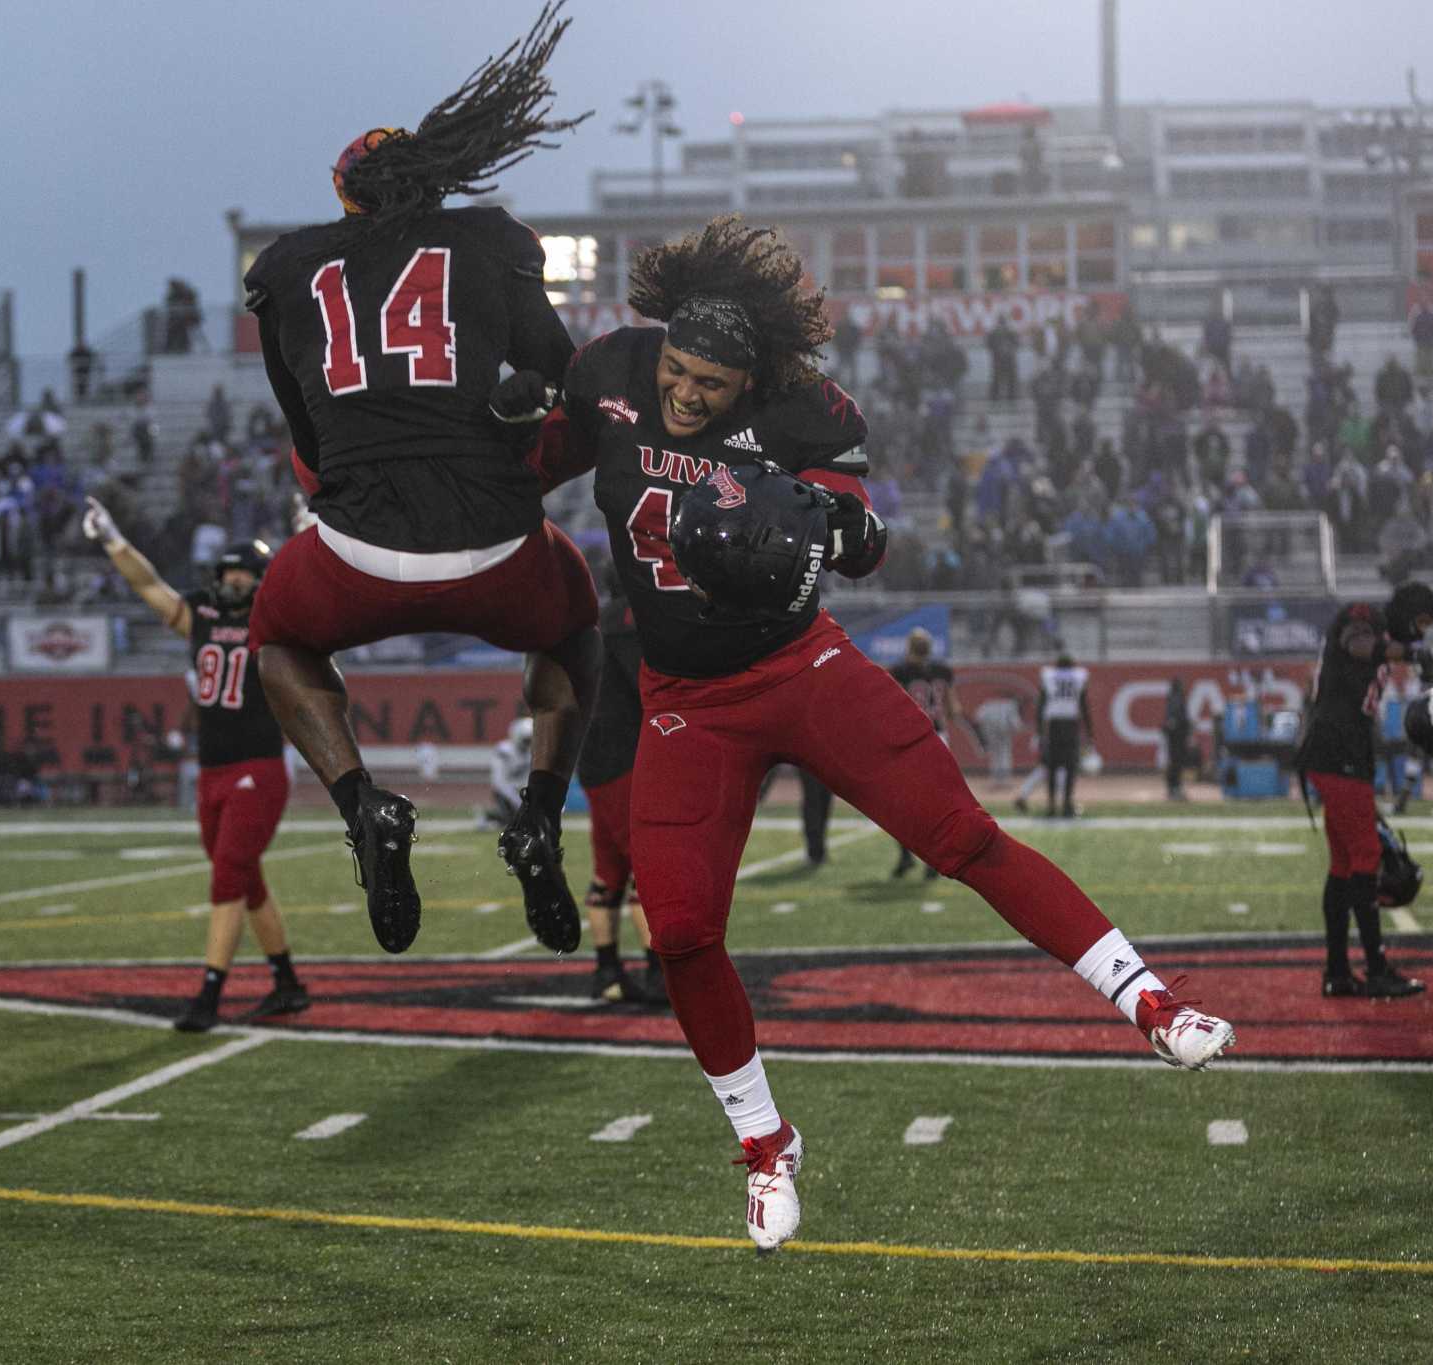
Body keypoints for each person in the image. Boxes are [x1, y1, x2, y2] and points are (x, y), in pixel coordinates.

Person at [500, 216, 1236, 1252]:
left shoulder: (802, 408)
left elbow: (860, 539)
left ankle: (1151, 1004)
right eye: (676, 372)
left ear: (750, 378)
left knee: (961, 837)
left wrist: (834, 529)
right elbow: (536, 464)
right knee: (681, 931)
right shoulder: (613, 370)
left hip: (798, 667)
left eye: (709, 384)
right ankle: (766, 1142)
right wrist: (502, 432)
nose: (684, 394)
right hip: (683, 698)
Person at [241, 3, 597, 958]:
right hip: (499, 547)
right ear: (441, 178)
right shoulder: (489, 240)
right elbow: (561, 372)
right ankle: (540, 813)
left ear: (345, 197)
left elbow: (306, 435)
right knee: (575, 629)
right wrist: (517, 409)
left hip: (355, 551)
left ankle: (362, 804)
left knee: (276, 641)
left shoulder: (287, 269)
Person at [84, 498, 307, 1032]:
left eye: (241, 573)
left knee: (228, 876)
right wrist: (114, 541)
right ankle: (287, 984)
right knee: (244, 878)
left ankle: (210, 993)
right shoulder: (202, 615)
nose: (231, 581)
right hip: (212, 769)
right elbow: (149, 586)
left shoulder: (275, 618)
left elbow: (309, 592)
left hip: (258, 766)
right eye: (226, 573)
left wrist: (309, 535)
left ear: (261, 579)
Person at [1293, 581, 1433, 999]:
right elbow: (1357, 644)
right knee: (1366, 858)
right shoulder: (1364, 617)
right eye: (1420, 622)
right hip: (1336, 755)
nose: (1420, 633)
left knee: (1344, 865)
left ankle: (1338, 971)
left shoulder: (1382, 636)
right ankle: (1375, 969)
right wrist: (1412, 654)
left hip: (1344, 756)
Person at [574, 587, 663, 1004]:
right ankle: (659, 972)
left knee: (608, 868)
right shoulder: (627, 618)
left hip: (593, 752)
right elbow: (646, 687)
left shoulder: (590, 621)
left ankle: (607, 971)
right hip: (623, 754)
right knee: (648, 867)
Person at [887, 627, 963, 879]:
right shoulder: (942, 670)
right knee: (934, 804)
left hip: (911, 740)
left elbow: (891, 707)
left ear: (909, 648)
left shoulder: (900, 671)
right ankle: (932, 859)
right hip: (938, 738)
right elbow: (954, 709)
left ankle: (906, 855)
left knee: (901, 802)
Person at [1038, 652, 1091, 818]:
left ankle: (1051, 806)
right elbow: (1083, 705)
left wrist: (1039, 731)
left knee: (1052, 767)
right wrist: (1090, 731)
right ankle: (1067, 805)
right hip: (1070, 725)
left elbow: (1041, 705)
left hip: (1054, 725)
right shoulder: (1078, 676)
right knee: (1070, 767)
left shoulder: (1049, 676)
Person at [483, 717, 534, 829]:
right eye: (527, 739)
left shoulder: (532, 752)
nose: (528, 743)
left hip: (523, 791)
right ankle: (492, 818)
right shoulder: (504, 751)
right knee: (513, 822)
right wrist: (516, 800)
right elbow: (499, 782)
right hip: (506, 791)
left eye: (531, 739)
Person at [1162, 679, 1194, 800]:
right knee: (1177, 763)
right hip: (1177, 737)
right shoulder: (1177, 699)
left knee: (1174, 763)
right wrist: (1187, 727)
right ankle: (1175, 789)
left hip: (1174, 736)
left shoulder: (1172, 699)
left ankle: (1173, 788)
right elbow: (1177, 719)